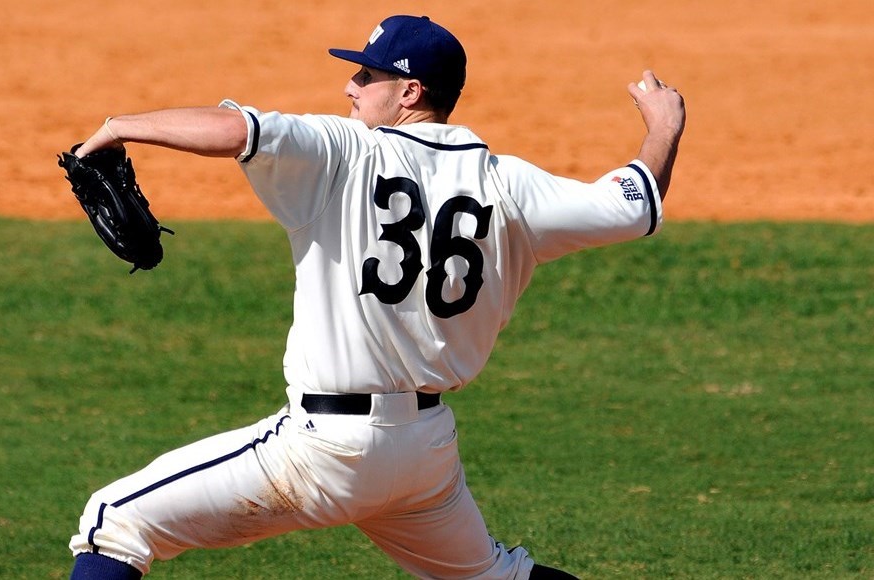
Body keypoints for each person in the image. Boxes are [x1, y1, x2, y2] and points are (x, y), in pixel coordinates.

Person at [66, 14, 685, 580]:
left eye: (367, 75)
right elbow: (634, 205)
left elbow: (235, 130)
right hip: (424, 457)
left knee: (114, 523)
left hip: (325, 450)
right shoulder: (510, 184)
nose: (351, 86)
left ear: (410, 92)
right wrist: (663, 126)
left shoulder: (344, 151)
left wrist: (120, 127)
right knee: (497, 577)